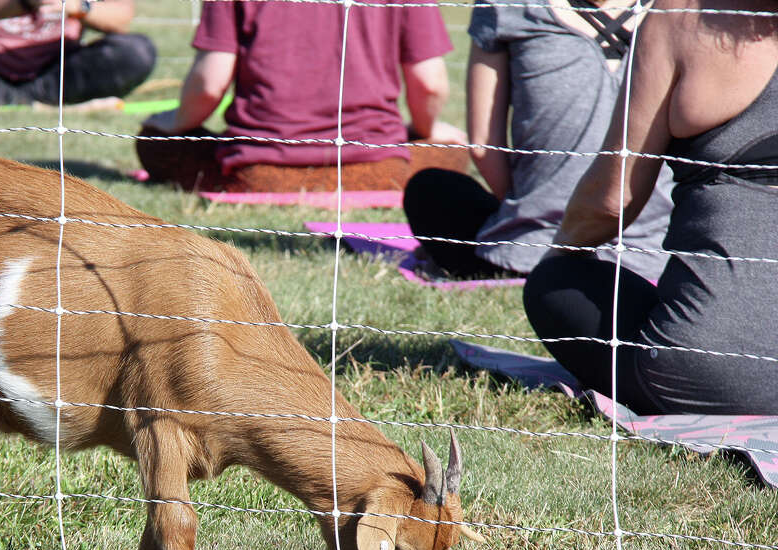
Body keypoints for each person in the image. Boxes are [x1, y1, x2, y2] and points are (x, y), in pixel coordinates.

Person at [523, 0, 778, 414]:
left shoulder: (679, 16)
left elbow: (611, 200)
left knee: (556, 285)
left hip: (710, 372)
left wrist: (558, 256)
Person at [403, 0, 675, 280]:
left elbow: (484, 147)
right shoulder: (695, 11)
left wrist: (533, 209)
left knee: (431, 191)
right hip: (659, 250)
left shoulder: (508, 6)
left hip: (535, 249)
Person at [134, 0, 469, 193]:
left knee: (153, 140)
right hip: (379, 169)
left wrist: (173, 123)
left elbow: (209, 85)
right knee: (453, 151)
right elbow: (430, 84)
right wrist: (428, 129)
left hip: (259, 171)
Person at [0, 0, 156, 107]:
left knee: (136, 52)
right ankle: (30, 101)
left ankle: (23, 100)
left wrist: (78, 7)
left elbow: (121, 19)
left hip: (54, 70)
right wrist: (24, 3)